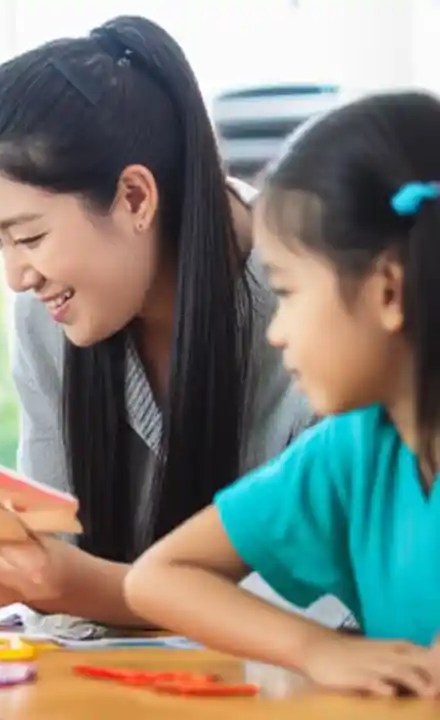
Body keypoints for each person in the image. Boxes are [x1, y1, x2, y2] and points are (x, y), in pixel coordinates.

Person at [0, 15, 348, 628]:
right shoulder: (47, 320)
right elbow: (57, 561)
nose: (17, 277)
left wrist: (80, 586)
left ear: (136, 198)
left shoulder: (318, 308)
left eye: (29, 236)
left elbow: (325, 607)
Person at [127, 92, 440, 698]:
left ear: (387, 291)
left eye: (289, 292)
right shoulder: (354, 449)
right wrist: (315, 649)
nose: (276, 330)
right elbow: (159, 576)